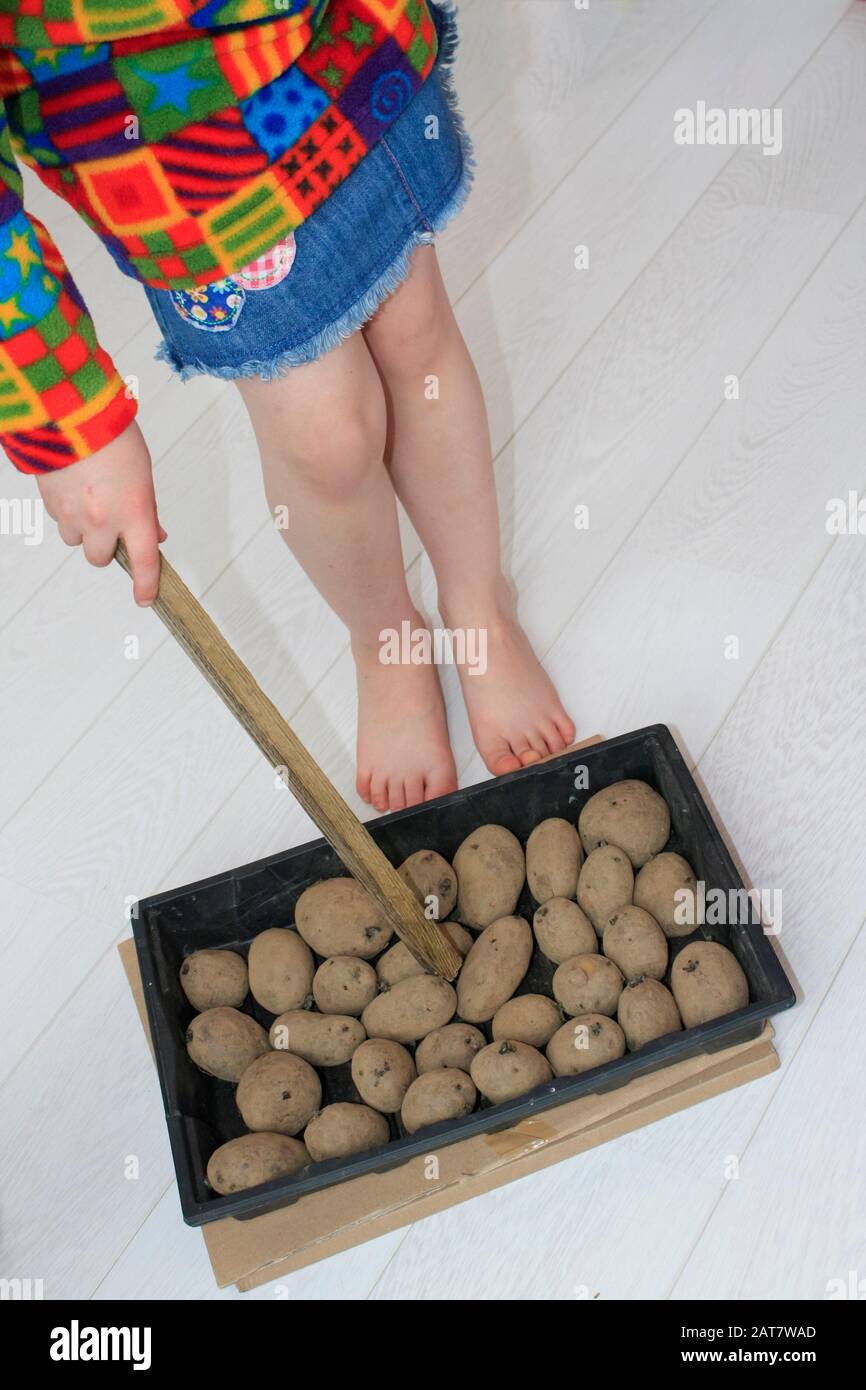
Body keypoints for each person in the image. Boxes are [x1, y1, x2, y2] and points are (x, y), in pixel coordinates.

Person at [0, 0, 573, 811]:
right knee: (324, 437)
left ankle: (480, 604)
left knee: (416, 334)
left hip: (340, 50)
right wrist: (67, 417)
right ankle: (386, 641)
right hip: (170, 160)